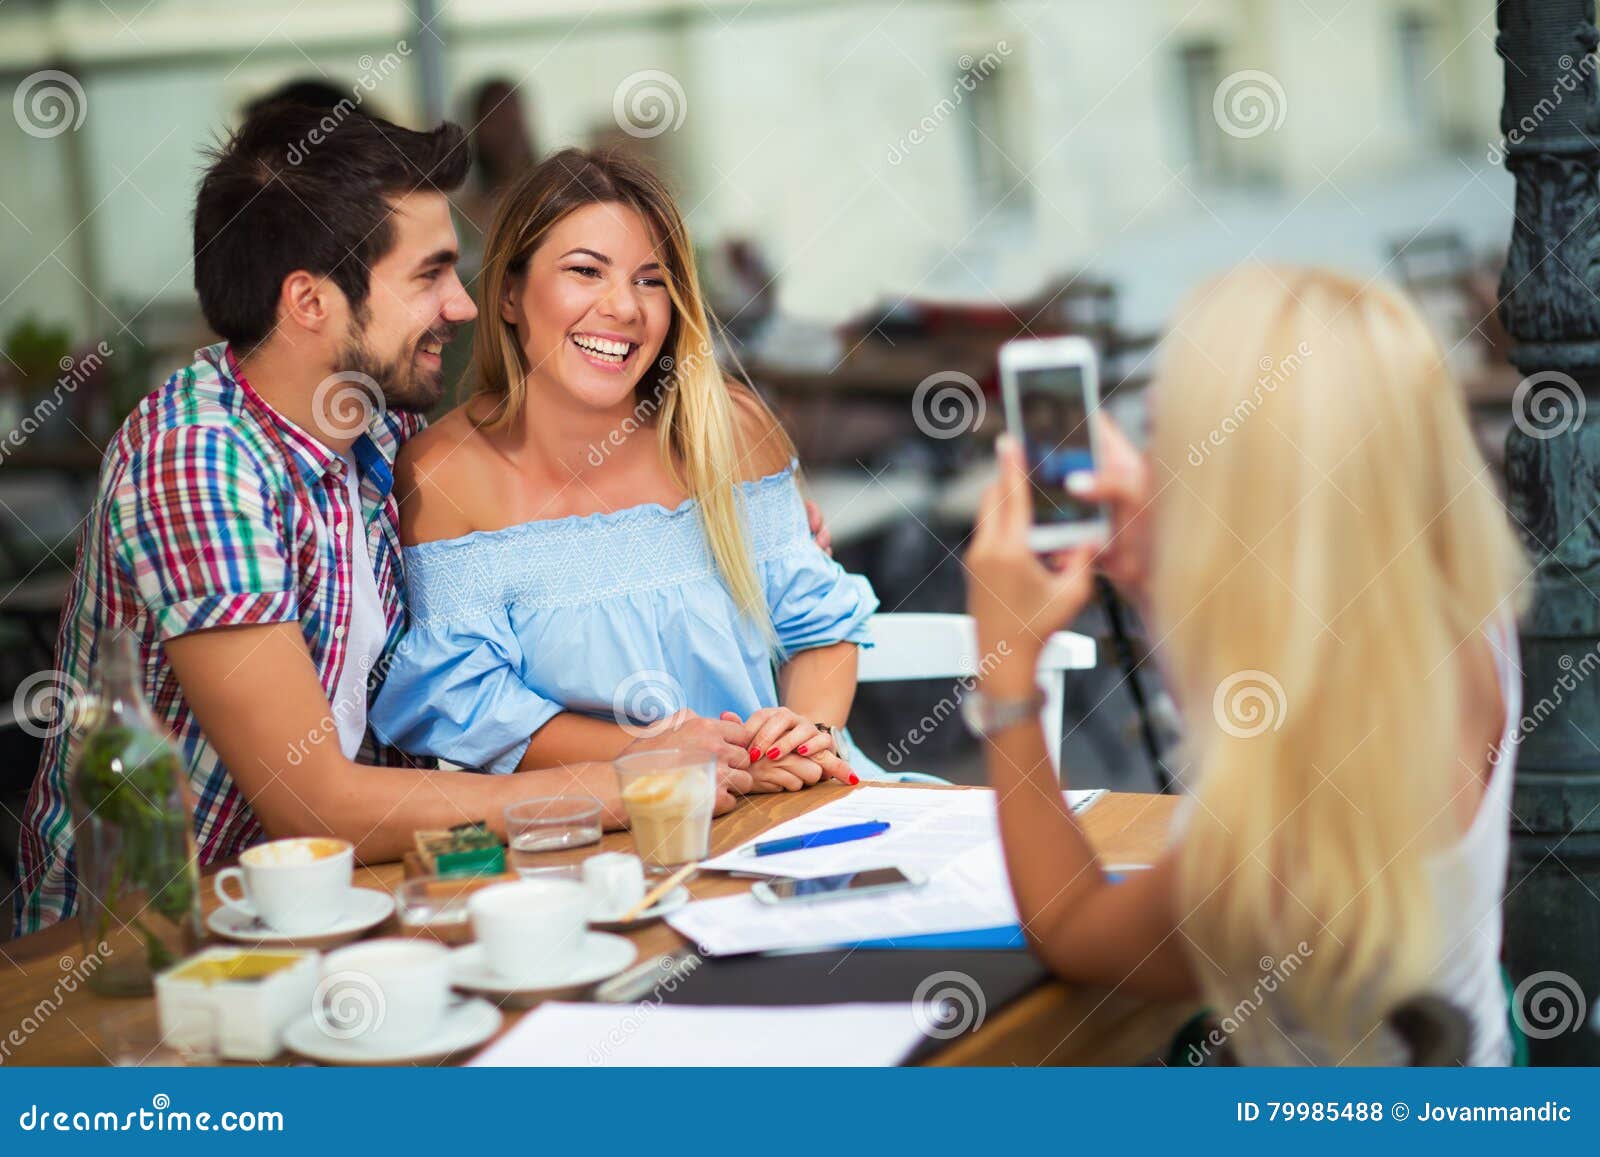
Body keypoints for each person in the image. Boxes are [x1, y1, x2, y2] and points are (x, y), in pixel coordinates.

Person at [11, 107, 754, 936]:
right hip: (158, 948)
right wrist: (627, 783)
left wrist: (736, 517)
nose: (461, 305)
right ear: (309, 300)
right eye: (430, 276)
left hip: (356, 907)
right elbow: (313, 804)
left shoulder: (378, 429)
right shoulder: (198, 462)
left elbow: (533, 557)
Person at [962, 265, 1528, 1065]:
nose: (1154, 464)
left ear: (1238, 494)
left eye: (1169, 440)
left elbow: (1071, 925)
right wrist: (1155, 574)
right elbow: (1271, 667)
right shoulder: (1463, 624)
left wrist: (1008, 676)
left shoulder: (1275, 844)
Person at [369, 148, 878, 791]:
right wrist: (654, 753)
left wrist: (808, 731)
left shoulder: (730, 429)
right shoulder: (443, 474)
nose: (625, 307)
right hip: (601, 831)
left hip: (788, 799)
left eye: (650, 280)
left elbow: (820, 627)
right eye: (586, 271)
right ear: (509, 294)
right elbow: (468, 702)